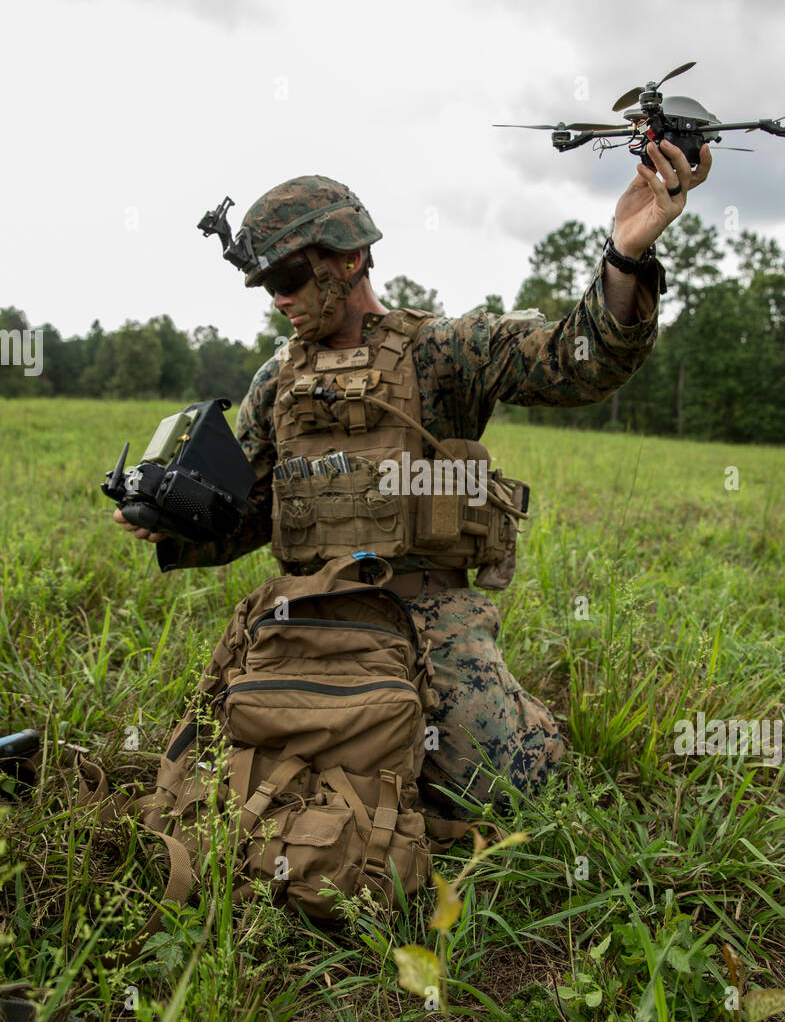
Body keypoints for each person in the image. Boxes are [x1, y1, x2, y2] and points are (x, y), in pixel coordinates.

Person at [115, 140, 711, 815]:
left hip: (424, 615)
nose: (277, 299)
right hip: (312, 610)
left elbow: (576, 363)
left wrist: (625, 255)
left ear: (350, 256)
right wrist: (174, 517)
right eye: (265, 286)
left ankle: (513, 721)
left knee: (505, 790)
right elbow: (251, 516)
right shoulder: (278, 380)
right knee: (211, 781)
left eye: (287, 276)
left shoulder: (442, 349)